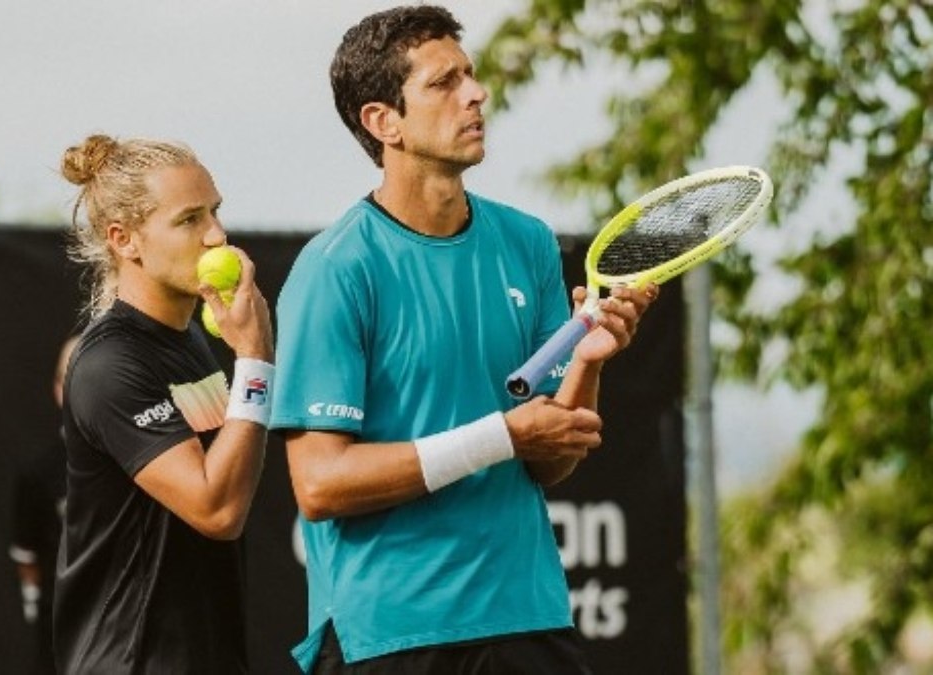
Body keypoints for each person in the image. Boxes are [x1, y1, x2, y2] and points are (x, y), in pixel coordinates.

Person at [269, 6, 659, 674]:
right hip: (391, 635)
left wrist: (587, 364)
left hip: (528, 617)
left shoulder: (528, 242)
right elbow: (320, 483)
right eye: (443, 82)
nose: (475, 93)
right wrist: (502, 436)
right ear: (382, 122)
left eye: (470, 75)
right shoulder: (335, 269)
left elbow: (548, 460)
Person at [52, 134, 275, 674]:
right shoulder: (110, 366)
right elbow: (217, 509)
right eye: (188, 220)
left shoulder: (193, 342)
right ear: (124, 240)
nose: (217, 235)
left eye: (215, 212)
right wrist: (254, 359)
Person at [9, 333, 77, 674]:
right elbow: (27, 554)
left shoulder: (149, 460)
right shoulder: (38, 474)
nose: (81, 392)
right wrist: (37, 604)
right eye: (71, 380)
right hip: (62, 630)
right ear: (57, 389)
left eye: (92, 378)